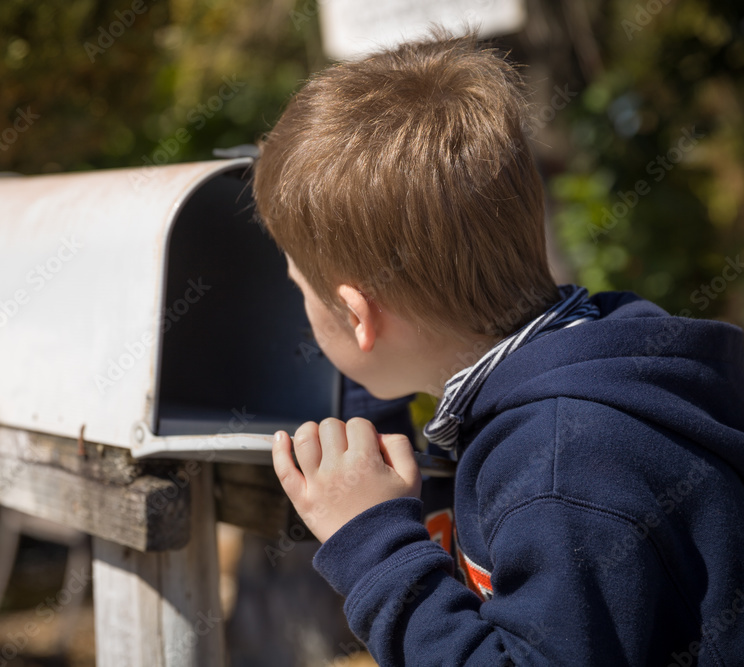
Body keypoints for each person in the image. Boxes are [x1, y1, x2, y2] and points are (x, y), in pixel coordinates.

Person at [253, 31, 744, 666]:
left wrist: (372, 546)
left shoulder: (561, 470)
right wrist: (367, 416)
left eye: (301, 290)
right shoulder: (606, 363)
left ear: (356, 315)